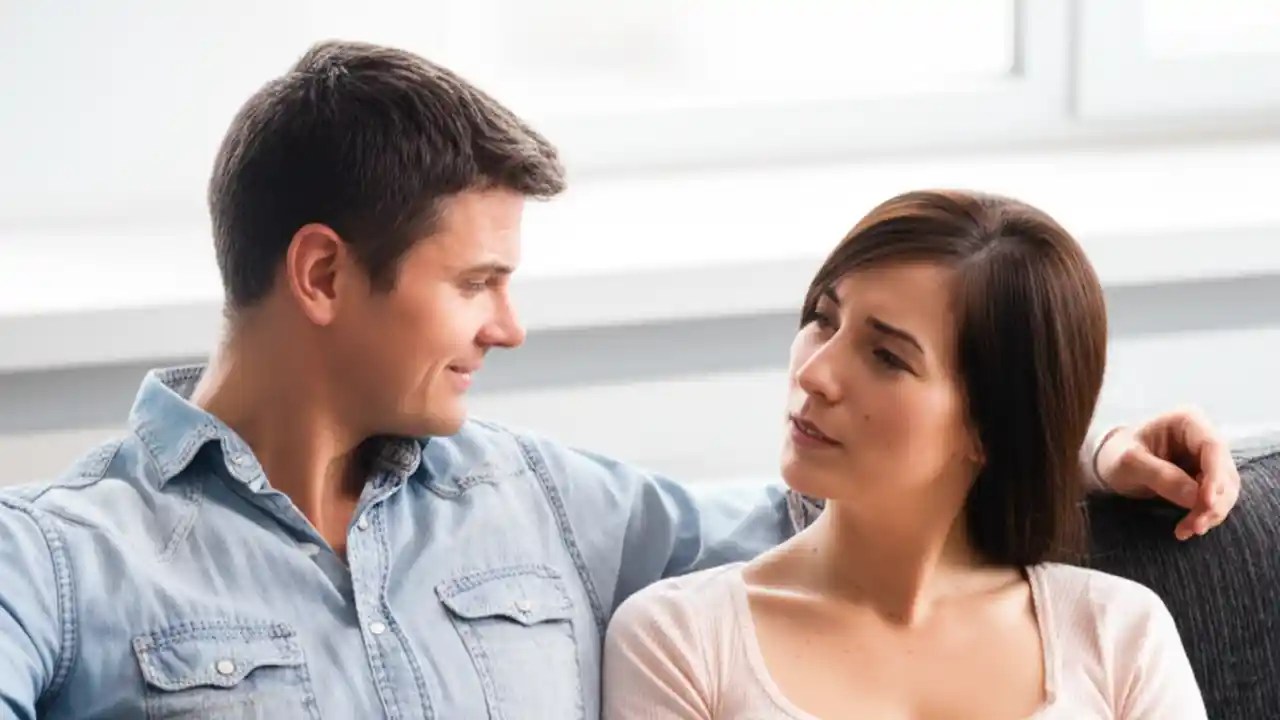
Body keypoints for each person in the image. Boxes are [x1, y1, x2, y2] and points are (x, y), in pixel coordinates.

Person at [0, 41, 1236, 719]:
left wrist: (1075, 446)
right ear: (321, 273)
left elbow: (845, 522)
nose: (510, 327)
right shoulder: (58, 562)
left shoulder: (543, 505)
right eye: (476, 281)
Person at [603, 190, 1208, 719]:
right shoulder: (681, 640)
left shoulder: (1116, 633)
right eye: (822, 319)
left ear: (989, 425)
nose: (815, 373)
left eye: (887, 357)